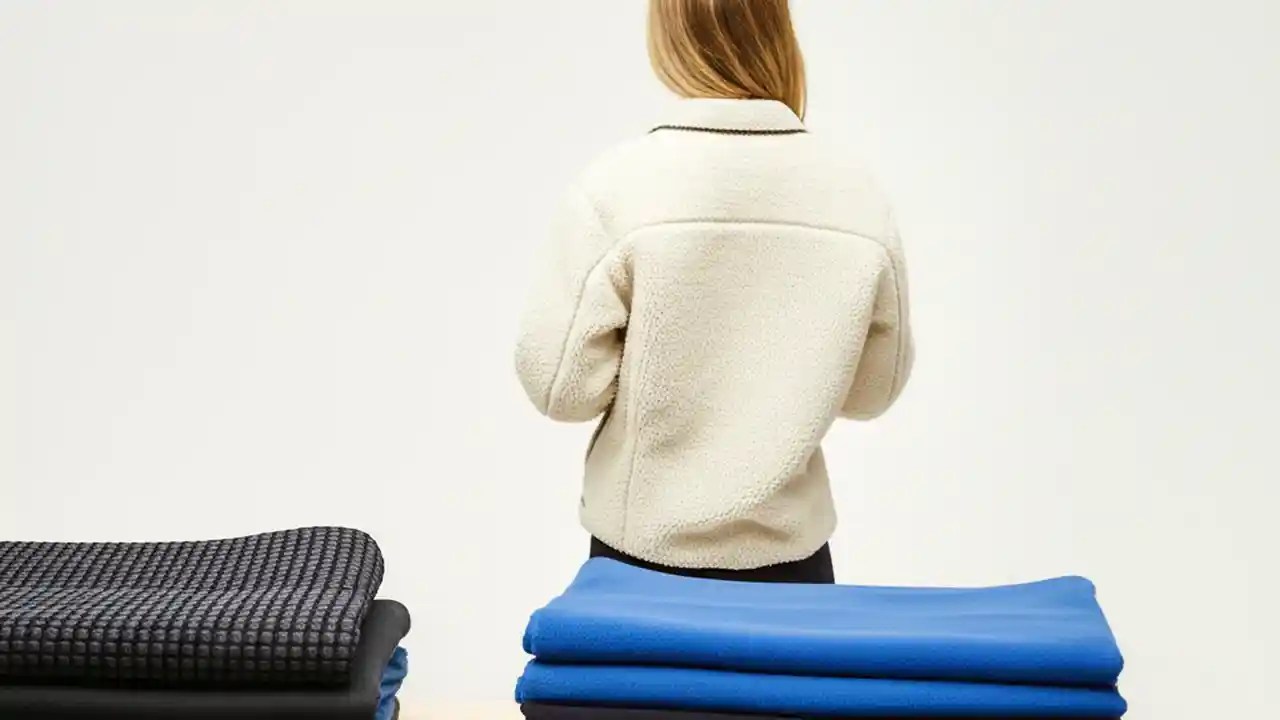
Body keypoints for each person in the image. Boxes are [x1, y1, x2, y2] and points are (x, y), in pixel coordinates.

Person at [514, 0, 913, 584]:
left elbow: (559, 389)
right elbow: (873, 391)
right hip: (796, 564)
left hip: (641, 561)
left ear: (669, 34)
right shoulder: (855, 195)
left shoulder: (618, 187)